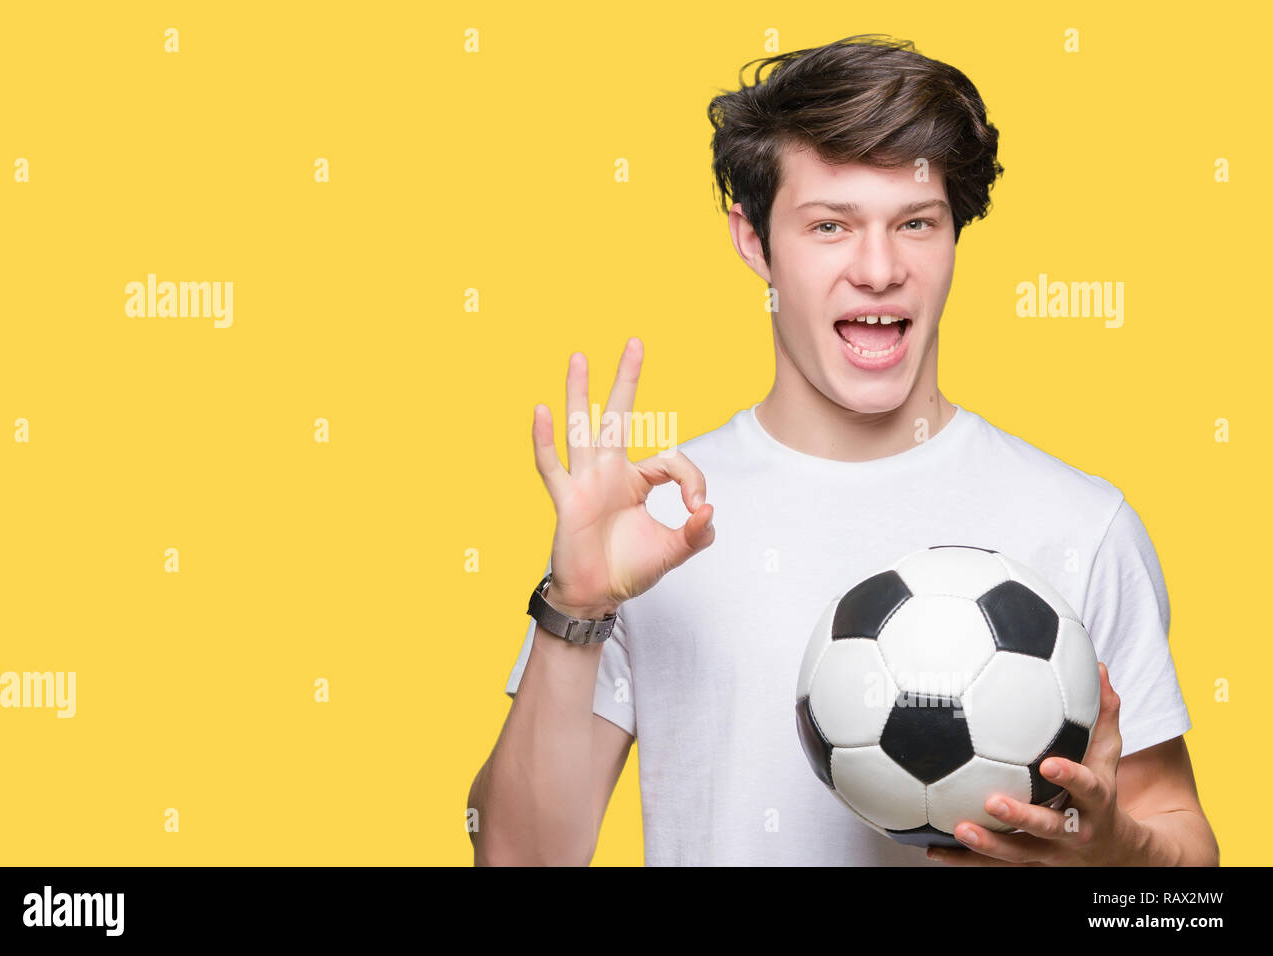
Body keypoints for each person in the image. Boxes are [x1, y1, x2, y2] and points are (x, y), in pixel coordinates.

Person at [467, 34, 1219, 866]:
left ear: (954, 237)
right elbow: (514, 859)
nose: (878, 268)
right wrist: (574, 605)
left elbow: (1177, 885)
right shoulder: (655, 525)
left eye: (916, 223)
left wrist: (1113, 854)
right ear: (754, 241)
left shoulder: (1081, 525)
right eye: (830, 225)